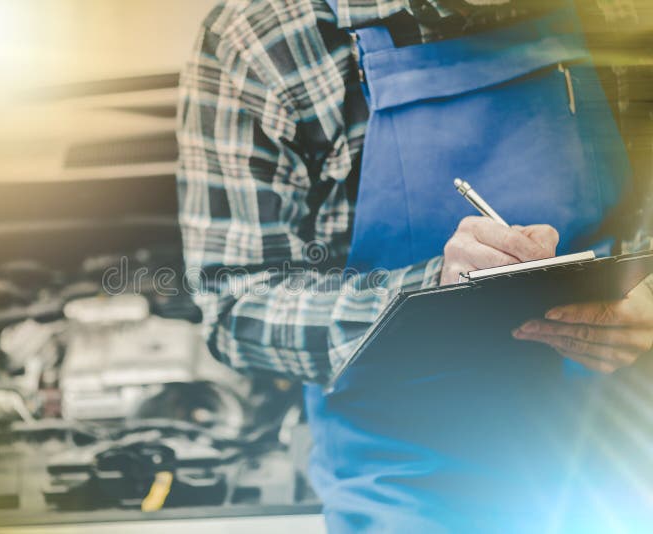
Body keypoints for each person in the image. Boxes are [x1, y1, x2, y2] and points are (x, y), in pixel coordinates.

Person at [177, 0, 653, 531]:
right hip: (405, 484)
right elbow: (236, 304)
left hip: (617, 457)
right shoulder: (265, 37)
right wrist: (433, 294)